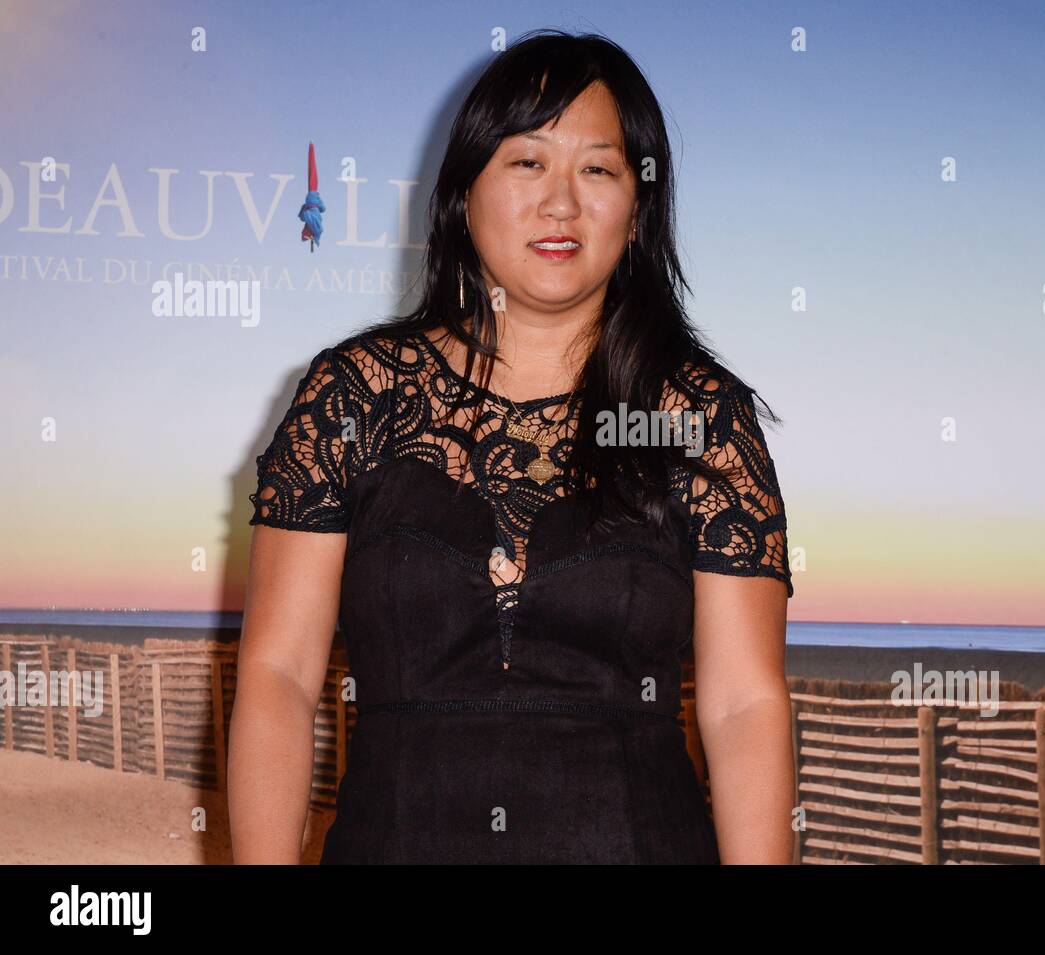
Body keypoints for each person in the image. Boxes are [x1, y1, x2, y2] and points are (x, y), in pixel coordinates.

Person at [229, 29, 794, 864]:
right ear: (465, 191)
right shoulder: (353, 396)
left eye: (598, 169)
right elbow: (279, 675)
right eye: (527, 163)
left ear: (637, 207)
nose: (561, 203)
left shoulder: (701, 419)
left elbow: (744, 706)